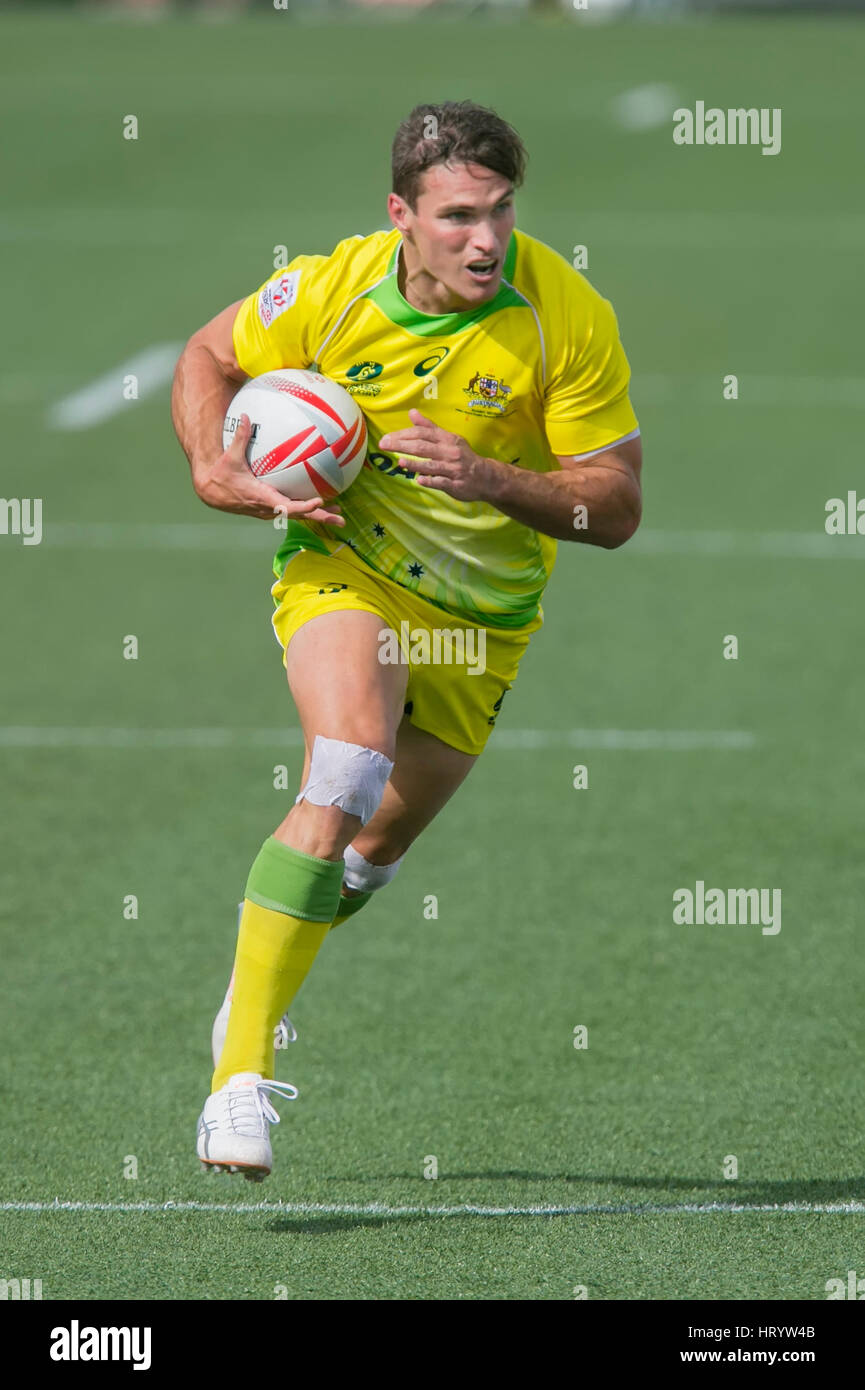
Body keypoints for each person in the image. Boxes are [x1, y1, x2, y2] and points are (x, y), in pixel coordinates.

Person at [171, 100, 642, 1179]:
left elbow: (613, 509)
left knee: (371, 854)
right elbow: (209, 354)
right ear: (402, 215)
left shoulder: (561, 315)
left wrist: (492, 478)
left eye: (502, 211)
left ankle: (248, 996)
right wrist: (212, 464)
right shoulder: (332, 288)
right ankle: (236, 1080)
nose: (486, 239)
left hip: (482, 623)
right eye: (460, 216)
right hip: (348, 569)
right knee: (343, 766)